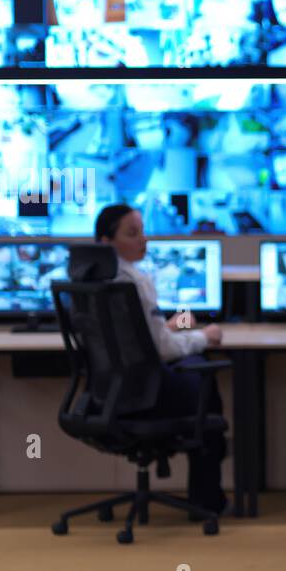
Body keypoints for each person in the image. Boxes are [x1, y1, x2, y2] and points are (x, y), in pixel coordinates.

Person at [94, 204, 227, 515]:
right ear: (105, 241)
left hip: (108, 394)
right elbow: (163, 351)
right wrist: (205, 336)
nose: (143, 240)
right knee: (205, 382)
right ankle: (207, 499)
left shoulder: (92, 279)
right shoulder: (136, 282)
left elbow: (139, 338)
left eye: (142, 232)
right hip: (146, 394)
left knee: (195, 374)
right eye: (132, 233)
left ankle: (206, 497)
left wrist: (173, 325)